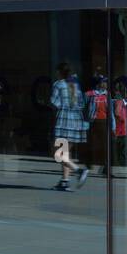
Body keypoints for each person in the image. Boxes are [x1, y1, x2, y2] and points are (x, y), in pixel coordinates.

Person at [49, 62, 88, 190]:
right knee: (66, 152)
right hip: (76, 121)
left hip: (63, 121)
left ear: (60, 72)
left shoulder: (58, 84)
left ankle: (78, 171)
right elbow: (81, 103)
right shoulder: (75, 85)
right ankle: (65, 181)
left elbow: (54, 103)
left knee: (58, 154)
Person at [84, 75, 111, 176]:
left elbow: (110, 112)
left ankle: (106, 167)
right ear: (98, 83)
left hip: (104, 122)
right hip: (92, 122)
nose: (106, 84)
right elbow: (83, 108)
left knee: (106, 145)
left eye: (106, 82)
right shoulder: (89, 94)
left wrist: (112, 126)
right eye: (104, 82)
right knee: (91, 144)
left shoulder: (107, 95)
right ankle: (88, 163)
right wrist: (84, 123)